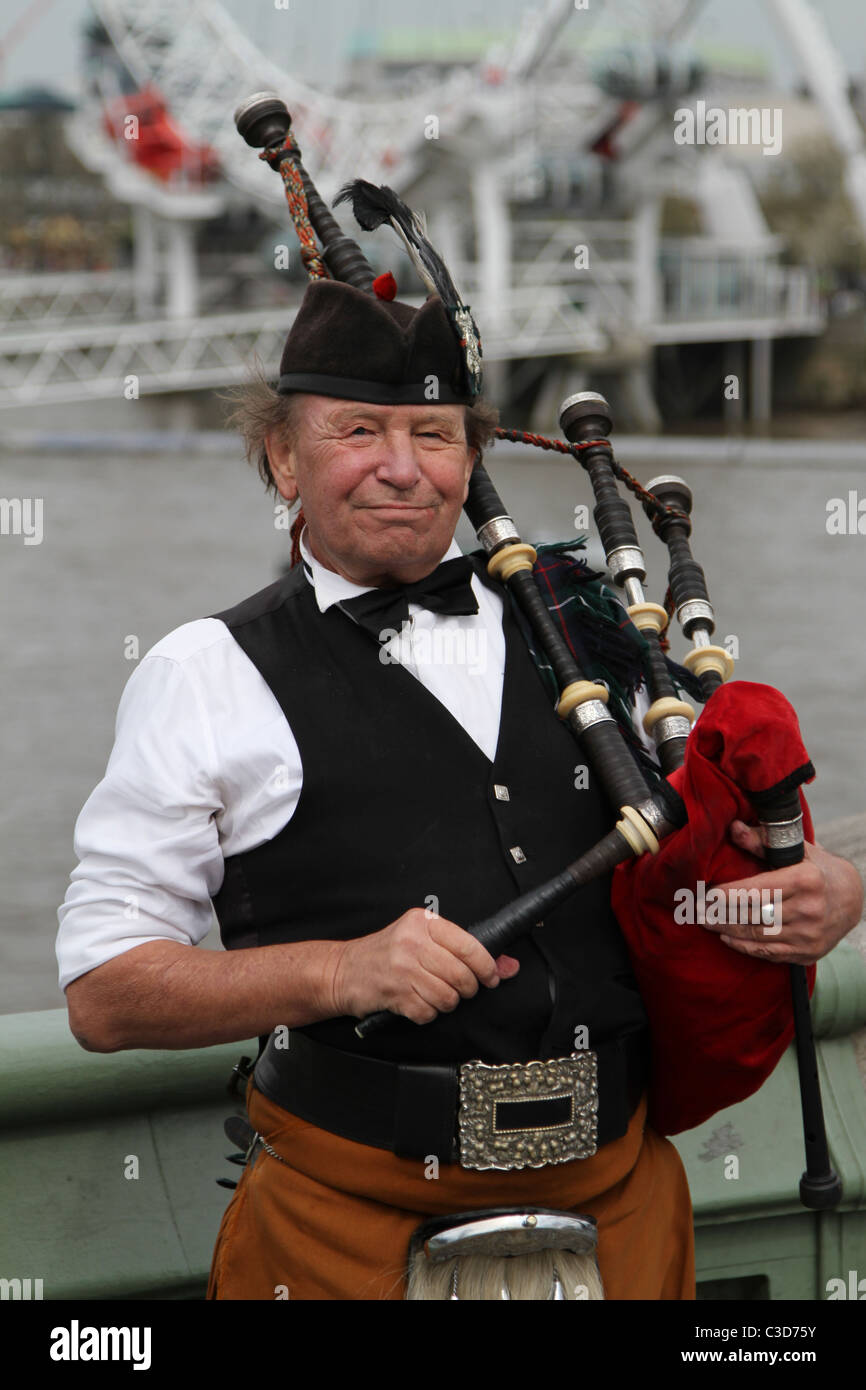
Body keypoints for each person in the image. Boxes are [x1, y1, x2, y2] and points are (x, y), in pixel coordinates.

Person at [57, 278, 863, 1301]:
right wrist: (340, 971)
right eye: (358, 430)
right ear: (281, 454)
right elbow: (102, 992)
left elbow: (728, 838)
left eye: (434, 434)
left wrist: (824, 888)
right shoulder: (203, 673)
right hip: (342, 1230)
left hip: (621, 1210)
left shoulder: (590, 628)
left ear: (471, 457)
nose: (401, 468)